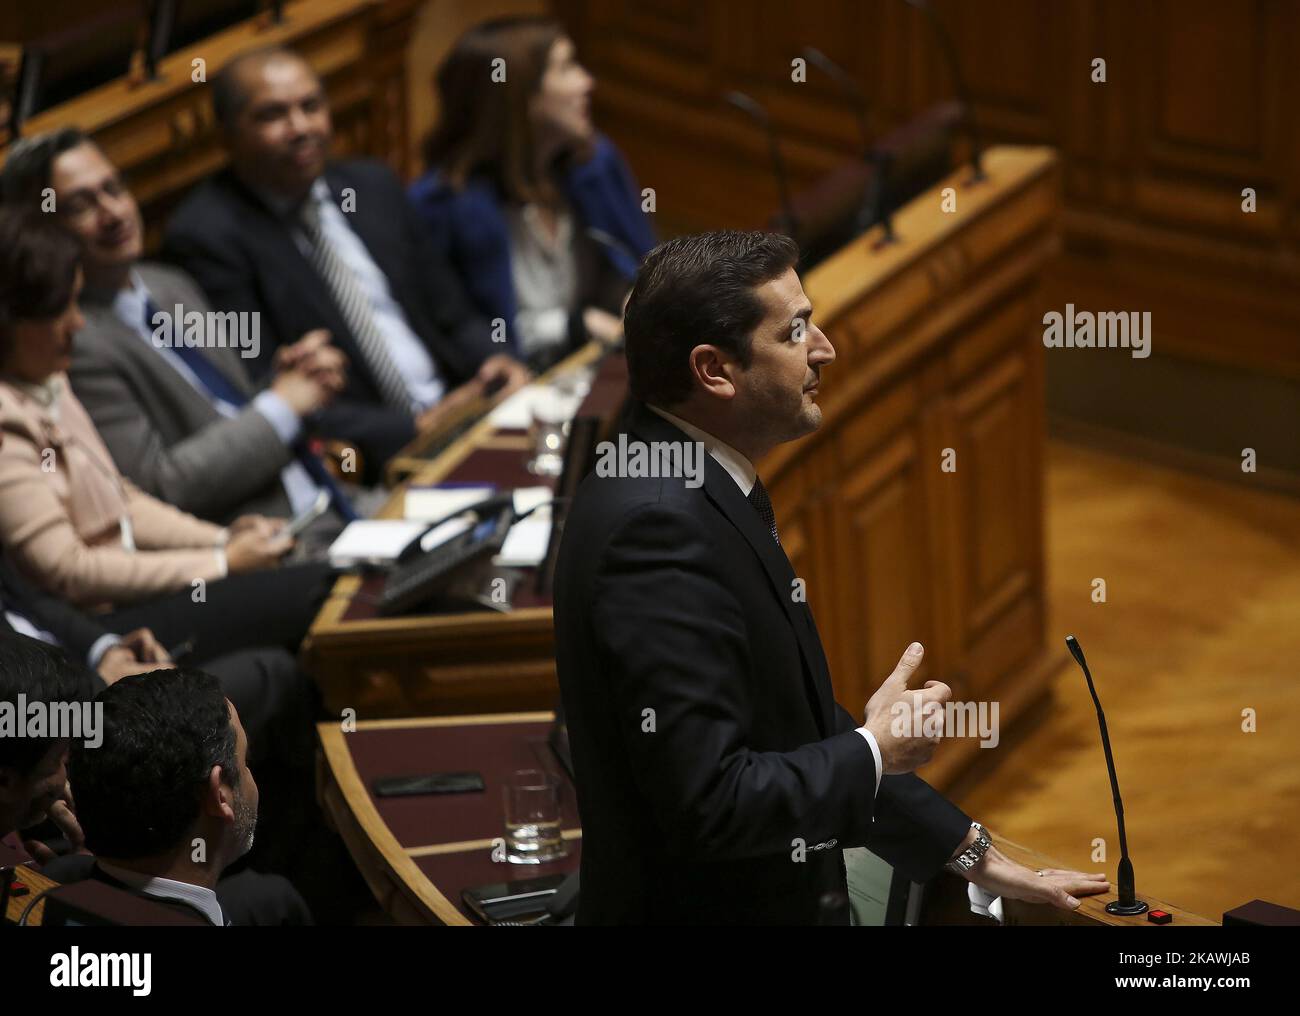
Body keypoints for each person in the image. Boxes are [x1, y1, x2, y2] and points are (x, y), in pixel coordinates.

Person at [552, 230, 1111, 924]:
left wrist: (973, 854)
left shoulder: (676, 474)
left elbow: (783, 728)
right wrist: (875, 748)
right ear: (714, 370)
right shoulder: (658, 529)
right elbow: (711, 803)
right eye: (795, 331)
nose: (825, 349)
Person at [163, 46, 532, 477]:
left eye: (311, 106)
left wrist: (496, 360)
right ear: (227, 135)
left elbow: (452, 312)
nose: (301, 128)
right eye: (273, 115)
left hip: (469, 416)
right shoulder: (208, 236)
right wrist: (412, 428)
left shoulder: (371, 186)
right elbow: (259, 387)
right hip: (369, 462)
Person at [0, 128, 370, 544]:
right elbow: (160, 486)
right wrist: (282, 405)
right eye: (81, 206)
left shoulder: (169, 284)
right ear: (41, 232)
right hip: (268, 543)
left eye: (113, 189)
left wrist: (291, 381)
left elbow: (227, 412)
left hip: (335, 502)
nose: (114, 213)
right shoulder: (70, 345)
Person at [0, 208, 331, 658]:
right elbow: (69, 570)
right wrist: (220, 564)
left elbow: (122, 501)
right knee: (316, 590)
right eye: (61, 309)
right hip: (103, 624)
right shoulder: (7, 419)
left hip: (143, 590)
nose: (78, 323)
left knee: (315, 593)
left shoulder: (47, 378)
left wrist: (222, 540)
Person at [409, 16, 655, 373]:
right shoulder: (445, 207)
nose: (587, 82)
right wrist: (577, 325)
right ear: (518, 95)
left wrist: (633, 298)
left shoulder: (594, 166)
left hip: (609, 364)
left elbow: (637, 263)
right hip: (521, 384)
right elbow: (462, 333)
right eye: (566, 68)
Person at [44, 666, 311, 925]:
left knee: (270, 897)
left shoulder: (54, 878)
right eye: (245, 762)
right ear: (220, 794)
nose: (250, 775)